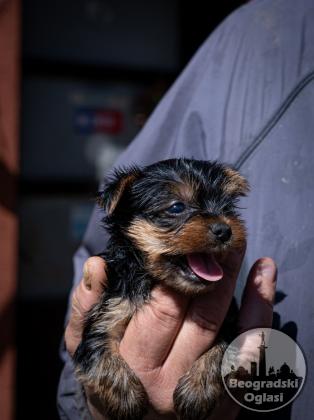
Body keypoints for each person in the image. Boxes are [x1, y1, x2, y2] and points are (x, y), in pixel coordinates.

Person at [58, 0, 314, 418]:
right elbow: (85, 356)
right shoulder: (261, 37)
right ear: (122, 211)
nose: (218, 227)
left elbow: (231, 345)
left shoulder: (220, 292)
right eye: (176, 208)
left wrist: (214, 367)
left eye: (225, 207)